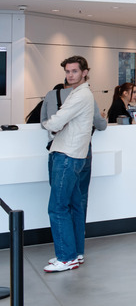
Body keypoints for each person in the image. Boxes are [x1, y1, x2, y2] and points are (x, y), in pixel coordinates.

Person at [40, 74, 107, 269]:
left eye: (74, 71)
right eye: (68, 71)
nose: (70, 75)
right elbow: (99, 123)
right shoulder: (86, 95)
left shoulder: (67, 95)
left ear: (84, 73)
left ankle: (66, 256)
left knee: (58, 206)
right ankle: (75, 253)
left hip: (66, 153)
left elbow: (47, 121)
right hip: (79, 153)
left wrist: (51, 127)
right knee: (76, 203)